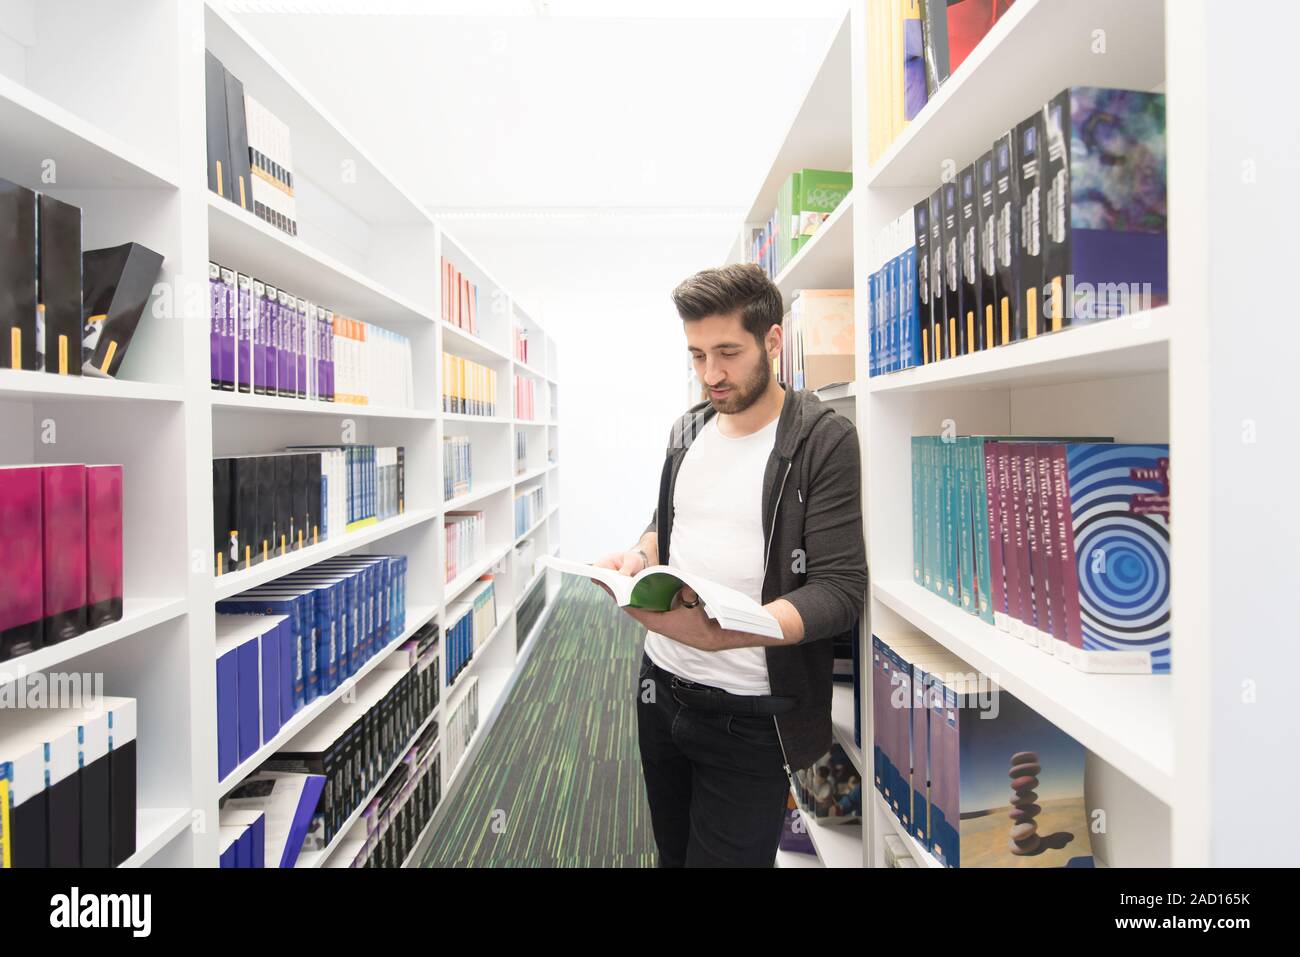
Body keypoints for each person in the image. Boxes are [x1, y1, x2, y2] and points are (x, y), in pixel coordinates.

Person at [594, 263, 867, 867]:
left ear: (773, 340)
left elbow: (840, 590)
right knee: (672, 854)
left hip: (749, 711)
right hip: (660, 690)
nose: (711, 375)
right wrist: (638, 556)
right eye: (696, 356)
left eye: (727, 352)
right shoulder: (687, 429)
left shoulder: (823, 439)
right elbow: (667, 524)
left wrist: (731, 633)